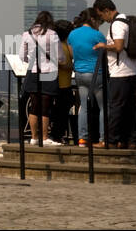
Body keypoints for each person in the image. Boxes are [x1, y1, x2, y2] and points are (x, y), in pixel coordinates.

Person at [92, 0, 136, 149]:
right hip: (133, 70)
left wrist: (104, 46)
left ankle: (110, 141)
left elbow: (118, 46)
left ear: (106, 10)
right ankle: (128, 140)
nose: (102, 19)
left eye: (101, 15)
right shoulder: (128, 21)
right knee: (129, 108)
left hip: (120, 72)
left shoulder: (117, 24)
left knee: (116, 107)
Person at [20, 11, 61, 146]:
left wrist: (31, 61)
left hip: (32, 72)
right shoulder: (52, 34)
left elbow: (22, 56)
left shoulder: (27, 34)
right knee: (46, 106)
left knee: (34, 106)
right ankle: (44, 137)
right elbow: (60, 56)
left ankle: (33, 137)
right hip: (49, 71)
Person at [69, 9, 106, 146]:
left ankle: (82, 138)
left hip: (79, 74)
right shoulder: (98, 35)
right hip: (96, 73)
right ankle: (103, 138)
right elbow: (105, 54)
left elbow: (72, 54)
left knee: (84, 107)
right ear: (93, 20)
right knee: (103, 107)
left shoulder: (72, 34)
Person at [51, 20, 75, 144]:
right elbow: (66, 62)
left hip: (57, 83)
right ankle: (57, 135)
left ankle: (56, 134)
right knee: (61, 114)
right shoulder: (64, 46)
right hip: (63, 84)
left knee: (58, 113)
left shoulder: (57, 45)